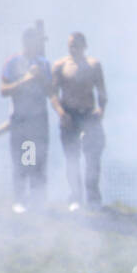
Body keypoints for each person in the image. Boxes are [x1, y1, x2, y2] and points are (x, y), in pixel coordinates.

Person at [51, 32, 107, 211]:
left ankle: (93, 198)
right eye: (70, 45)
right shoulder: (60, 65)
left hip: (89, 115)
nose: (72, 48)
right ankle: (75, 197)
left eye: (76, 45)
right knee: (72, 159)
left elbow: (102, 91)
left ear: (84, 46)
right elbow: (52, 93)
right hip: (69, 116)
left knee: (93, 158)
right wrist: (60, 112)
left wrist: (101, 109)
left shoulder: (94, 65)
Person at [0, 27, 53, 214]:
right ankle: (20, 200)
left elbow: (50, 91)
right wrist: (24, 80)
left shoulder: (44, 64)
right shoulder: (13, 62)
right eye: (32, 41)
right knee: (23, 160)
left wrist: (40, 78)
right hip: (21, 119)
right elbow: (3, 90)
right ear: (25, 42)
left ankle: (37, 201)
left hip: (38, 120)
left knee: (38, 161)